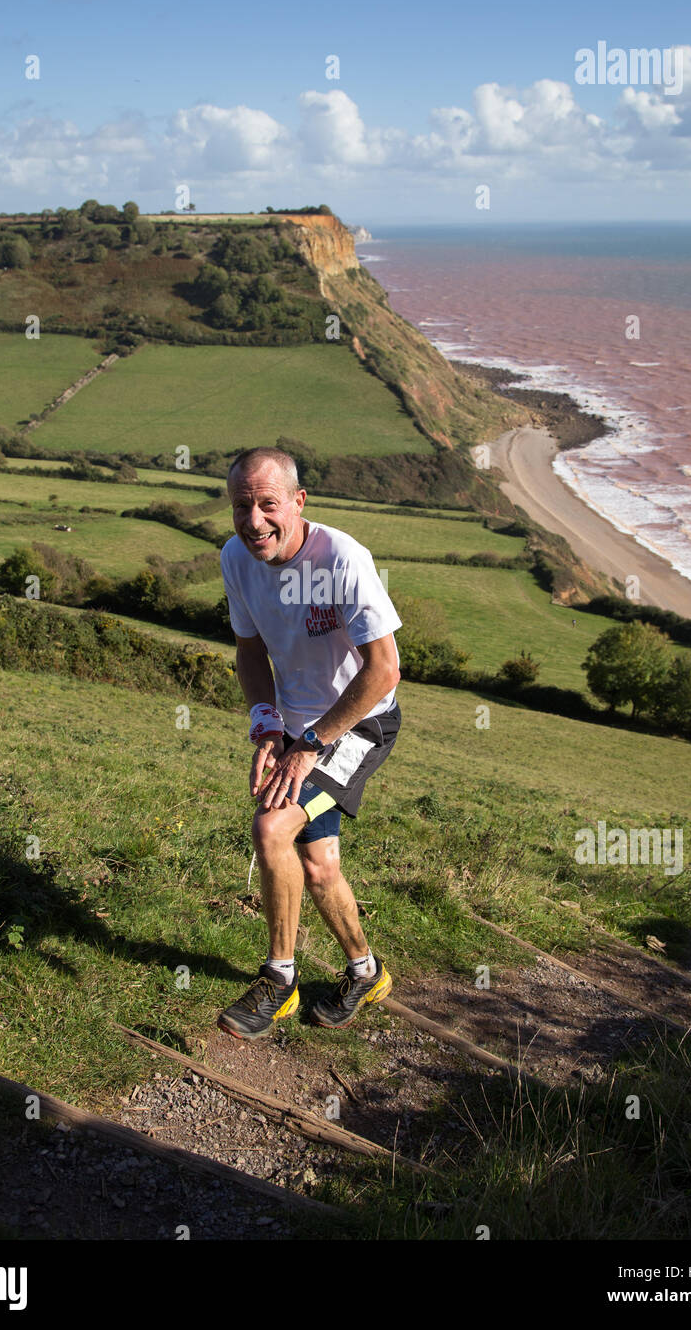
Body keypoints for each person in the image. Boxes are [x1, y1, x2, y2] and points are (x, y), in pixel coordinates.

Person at [217, 446, 402, 1040]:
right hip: (296, 726)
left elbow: (385, 670)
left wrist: (312, 742)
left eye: (268, 505)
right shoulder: (235, 560)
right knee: (319, 868)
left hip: (359, 722)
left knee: (272, 828)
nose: (254, 522)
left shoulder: (343, 558)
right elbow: (249, 651)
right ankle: (366, 972)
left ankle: (279, 981)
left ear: (298, 502)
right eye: (242, 507)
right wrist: (269, 726)